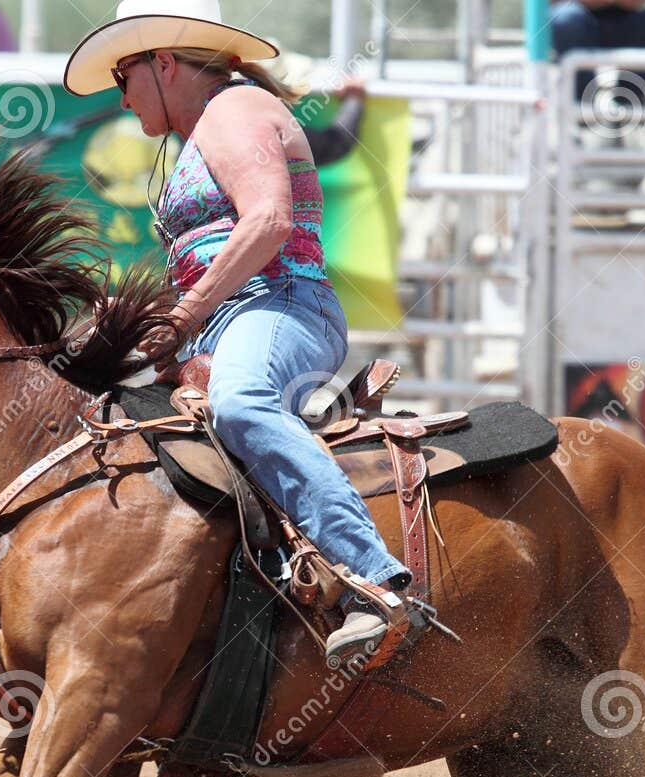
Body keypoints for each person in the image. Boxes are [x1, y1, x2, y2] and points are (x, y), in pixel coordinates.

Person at [64, 0, 413, 668]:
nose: (122, 97)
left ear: (163, 63)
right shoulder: (210, 125)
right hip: (236, 316)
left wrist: (183, 317)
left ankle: (375, 580)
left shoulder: (234, 110)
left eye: (122, 77)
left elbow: (269, 223)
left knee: (242, 401)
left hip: (282, 305)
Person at [551, 0, 645, 106]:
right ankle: (583, 105)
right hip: (580, 24)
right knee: (565, 19)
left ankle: (626, 102)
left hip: (630, 22)